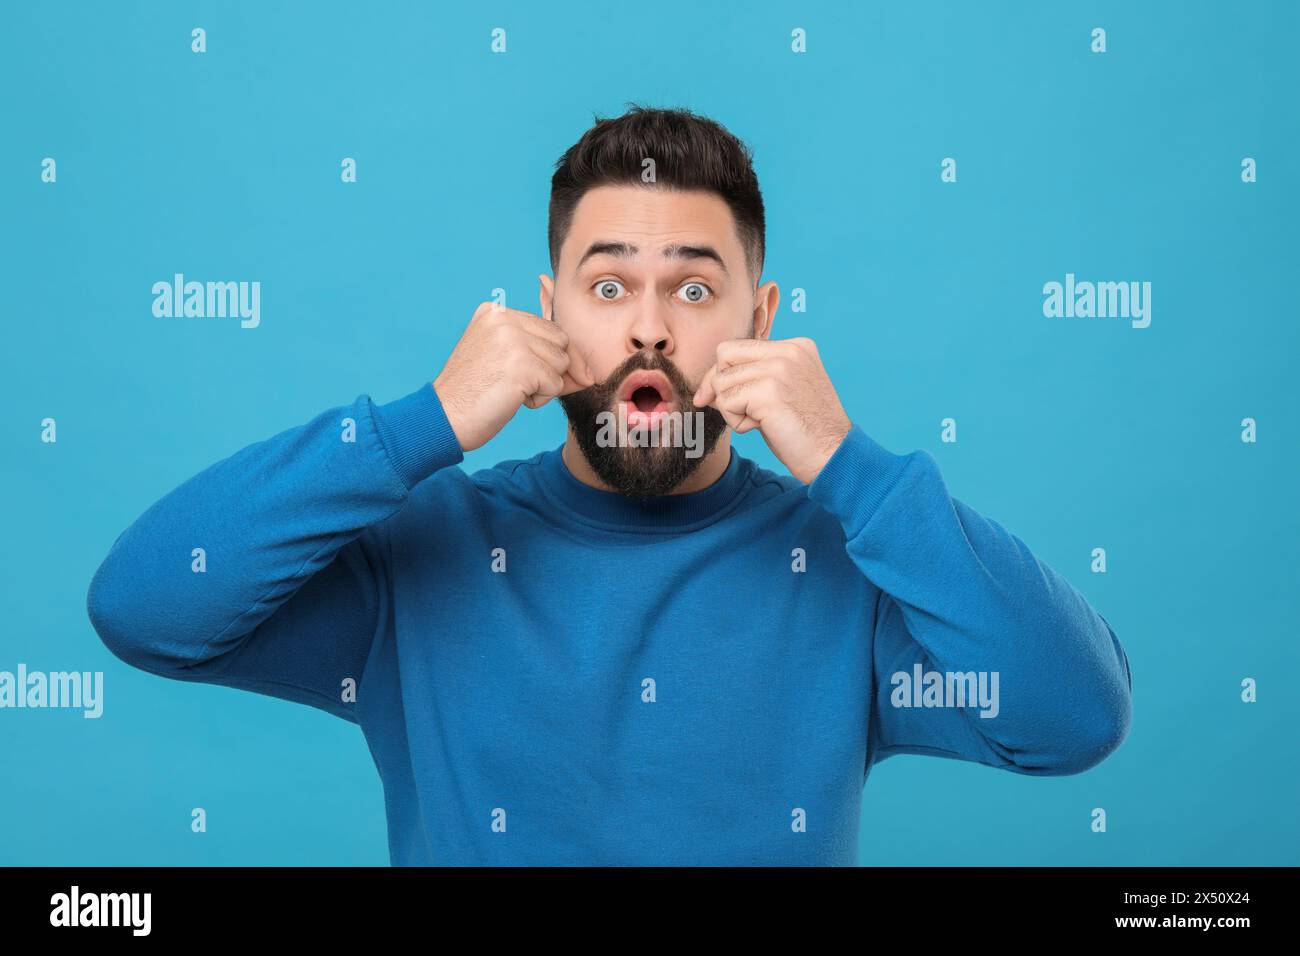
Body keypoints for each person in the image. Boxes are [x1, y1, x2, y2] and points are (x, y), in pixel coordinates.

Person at [86, 105, 1132, 866]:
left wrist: (849, 464)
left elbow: (1074, 716)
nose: (648, 326)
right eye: (608, 284)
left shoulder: (845, 568)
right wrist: (421, 422)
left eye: (693, 287)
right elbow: (145, 607)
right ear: (548, 312)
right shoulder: (424, 554)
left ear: (760, 320)